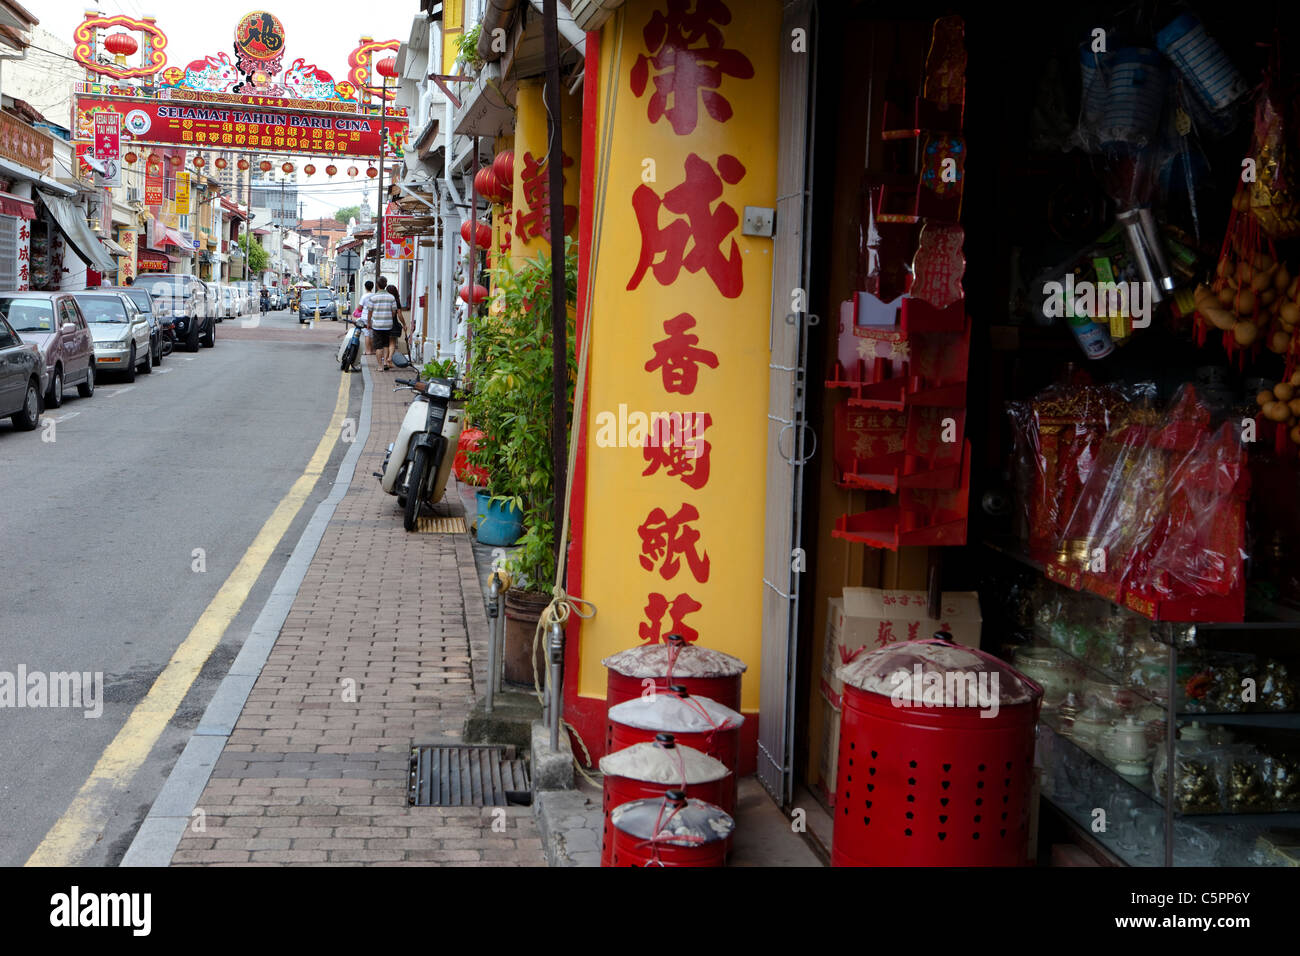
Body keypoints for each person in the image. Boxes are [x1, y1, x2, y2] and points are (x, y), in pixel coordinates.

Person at [365, 276, 399, 371]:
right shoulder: (391, 297)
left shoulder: (373, 297)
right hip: (388, 325)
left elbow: (370, 312)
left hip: (377, 325)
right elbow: (394, 311)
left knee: (378, 346)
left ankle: (380, 366)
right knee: (386, 344)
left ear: (377, 285)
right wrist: (389, 318)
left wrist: (368, 323)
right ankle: (385, 363)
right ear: (385, 285)